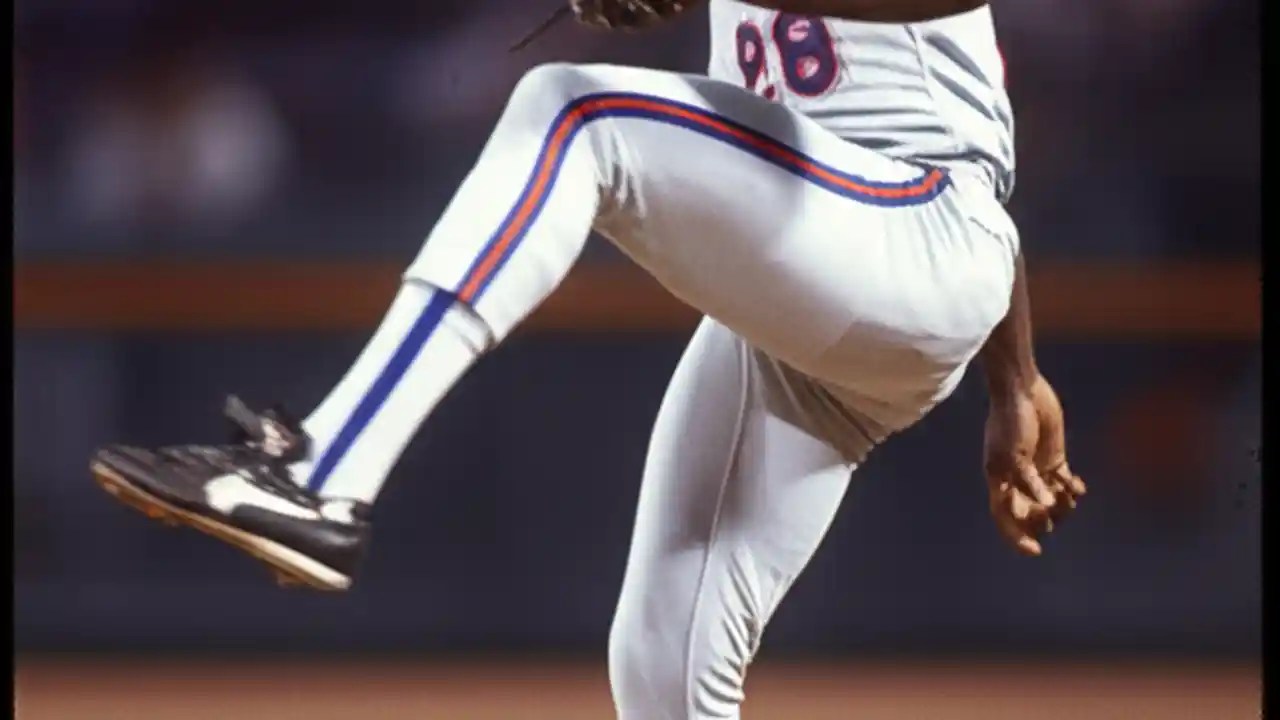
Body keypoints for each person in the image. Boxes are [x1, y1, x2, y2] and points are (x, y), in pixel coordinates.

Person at [92, 1, 1086, 717]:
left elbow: (944, 130)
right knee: (662, 678)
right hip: (834, 276)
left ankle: (321, 476)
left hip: (919, 239)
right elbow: (934, 113)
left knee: (572, 112)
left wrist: (1011, 369)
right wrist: (1016, 379)